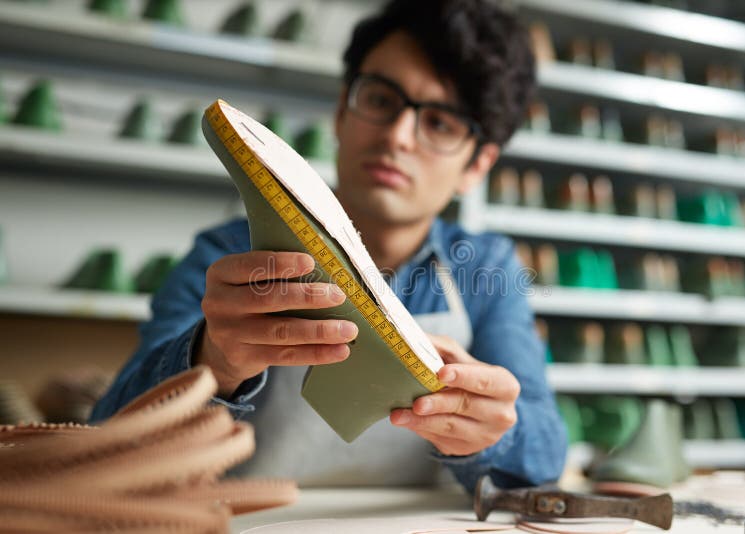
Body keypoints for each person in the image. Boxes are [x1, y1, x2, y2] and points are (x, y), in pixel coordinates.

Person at [92, 0, 567, 492]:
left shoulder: (486, 269)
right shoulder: (230, 256)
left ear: (477, 166)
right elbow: (106, 437)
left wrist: (495, 433)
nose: (398, 137)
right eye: (381, 100)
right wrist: (212, 361)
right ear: (342, 111)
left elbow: (547, 451)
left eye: (440, 124)